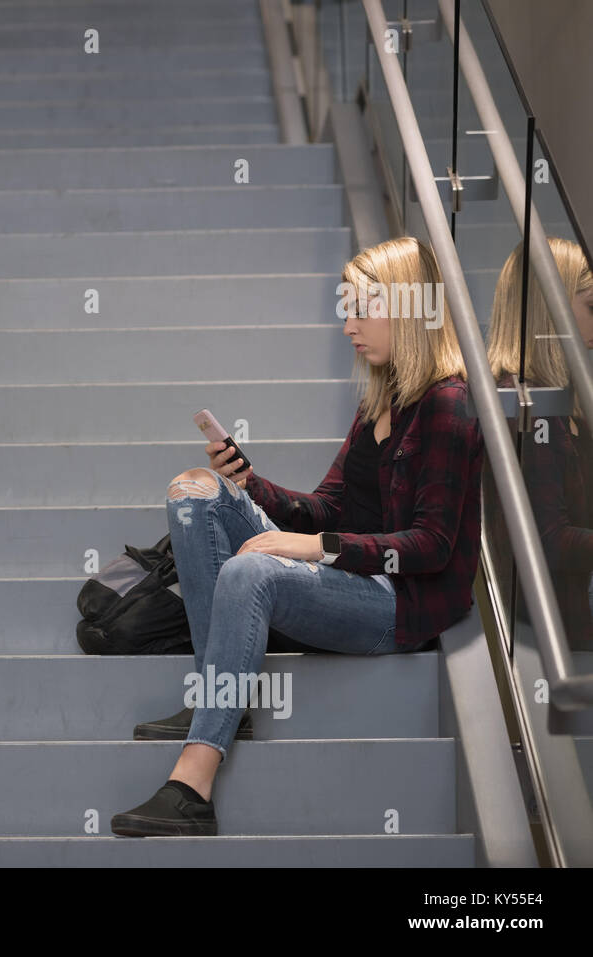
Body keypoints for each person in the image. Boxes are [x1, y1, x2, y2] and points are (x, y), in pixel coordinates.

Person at [112, 236, 485, 837]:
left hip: (398, 604)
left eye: (362, 309)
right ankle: (222, 692)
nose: (349, 327)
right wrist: (250, 483)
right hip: (349, 575)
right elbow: (327, 506)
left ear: (408, 309)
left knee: (248, 570)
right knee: (195, 491)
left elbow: (431, 545)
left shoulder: (448, 405)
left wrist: (321, 548)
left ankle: (193, 784)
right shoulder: (378, 403)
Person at [484, 237, 593, 646]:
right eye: (592, 307)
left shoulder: (561, 400)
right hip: (550, 618)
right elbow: (547, 541)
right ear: (553, 308)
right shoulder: (527, 405)